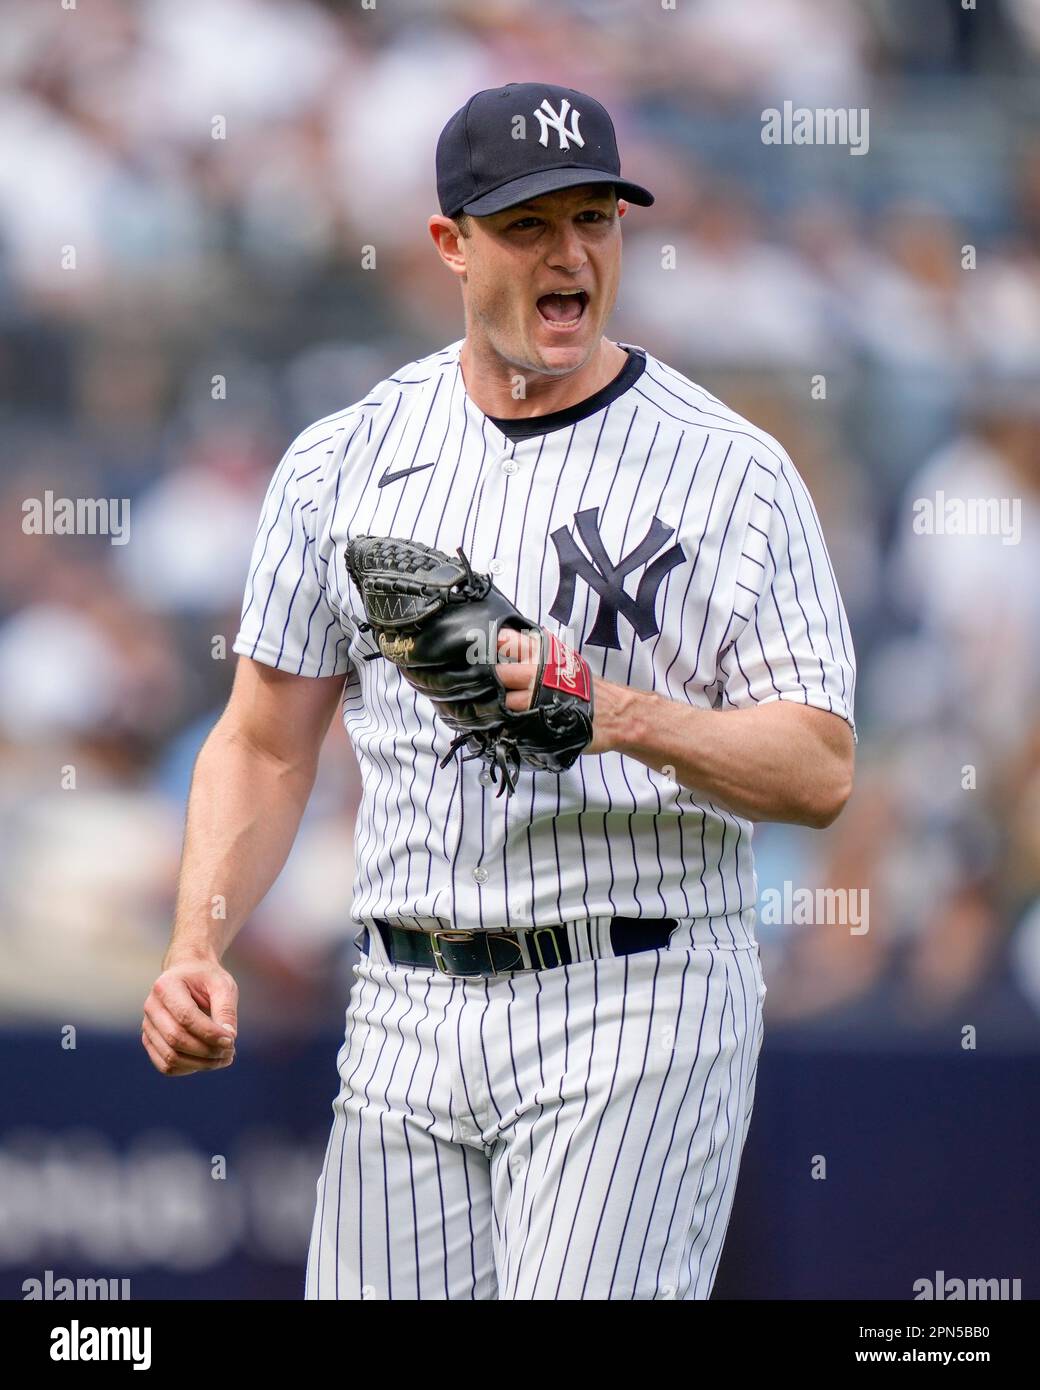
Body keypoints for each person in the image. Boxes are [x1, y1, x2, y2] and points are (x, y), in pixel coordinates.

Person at [141, 82, 857, 1300]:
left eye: (595, 218)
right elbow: (264, 743)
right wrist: (195, 942)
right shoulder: (344, 459)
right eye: (528, 225)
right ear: (450, 245)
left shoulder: (730, 469)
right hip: (404, 1006)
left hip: (638, 993)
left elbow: (819, 770)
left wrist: (608, 706)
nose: (570, 253)